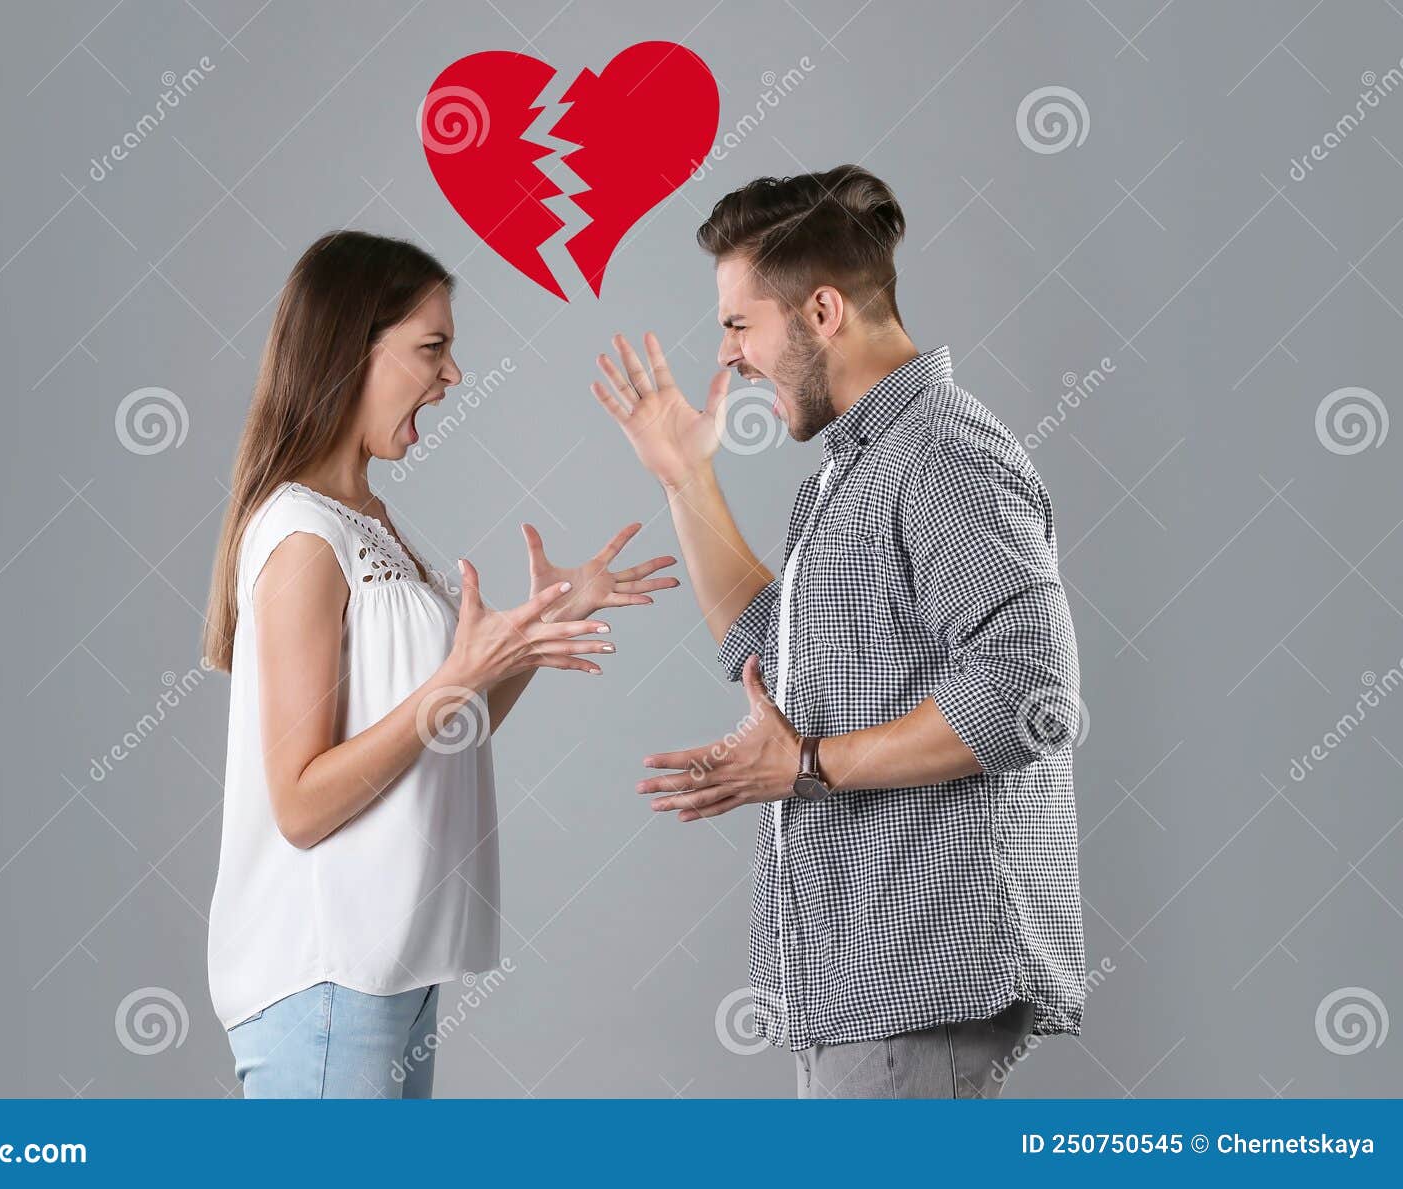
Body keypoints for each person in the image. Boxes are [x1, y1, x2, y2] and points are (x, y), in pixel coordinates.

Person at [591, 165, 1085, 1098]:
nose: (729, 355)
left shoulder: (942, 454)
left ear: (821, 313)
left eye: (741, 324)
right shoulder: (857, 468)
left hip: (918, 988)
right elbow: (778, 656)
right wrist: (685, 480)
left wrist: (809, 763)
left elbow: (1029, 698)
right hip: (870, 995)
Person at [200, 230, 679, 1097]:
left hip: (383, 977)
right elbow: (303, 804)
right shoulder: (304, 537)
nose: (453, 375)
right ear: (352, 349)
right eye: (433, 348)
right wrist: (460, 675)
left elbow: (439, 729)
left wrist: (524, 643)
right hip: (323, 978)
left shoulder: (370, 522)